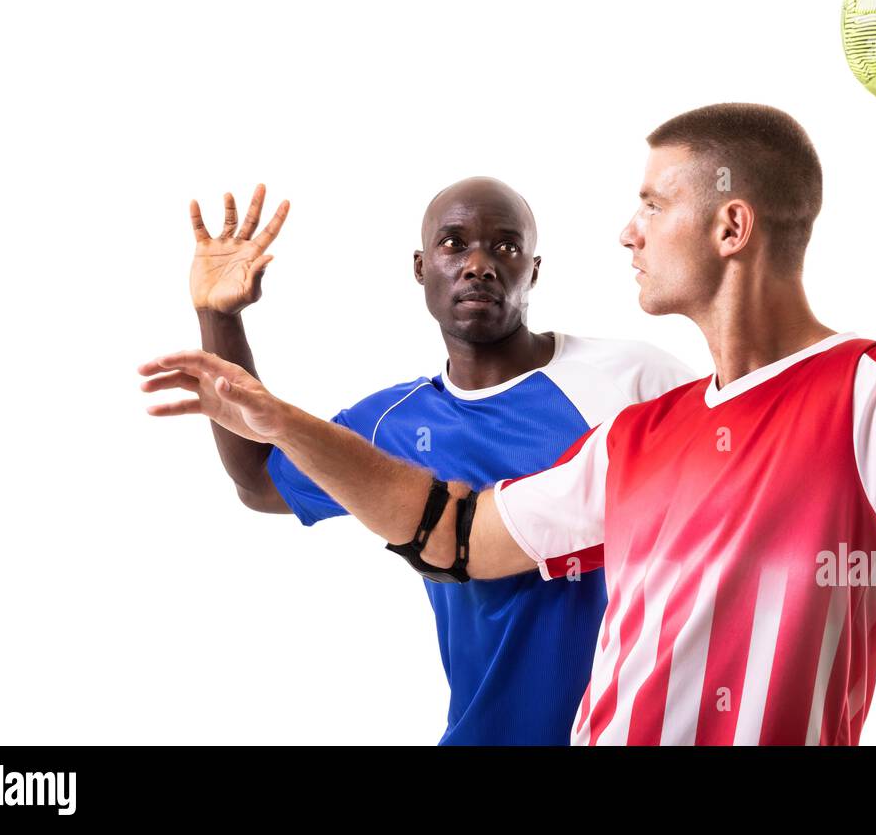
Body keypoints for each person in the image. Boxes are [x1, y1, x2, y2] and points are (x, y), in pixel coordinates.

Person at [141, 0, 876, 744]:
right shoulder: (638, 436)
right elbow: (454, 536)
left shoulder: (868, 398)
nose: (625, 228)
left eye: (652, 201)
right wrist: (278, 416)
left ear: (730, 225)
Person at [171, 175, 696, 744]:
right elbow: (258, 482)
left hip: (641, 729)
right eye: (453, 244)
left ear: (534, 272)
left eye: (506, 246)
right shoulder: (387, 426)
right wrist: (220, 317)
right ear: (420, 267)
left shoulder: (635, 378)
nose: (479, 264)